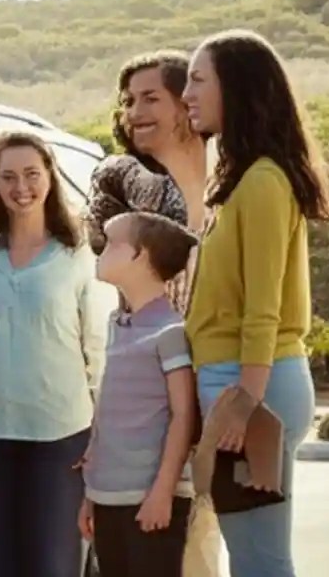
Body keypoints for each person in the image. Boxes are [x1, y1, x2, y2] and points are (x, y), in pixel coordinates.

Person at [182, 28, 329, 577]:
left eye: (199, 79)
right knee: (257, 557)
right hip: (240, 383)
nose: (187, 94)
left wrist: (244, 401)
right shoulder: (246, 179)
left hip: (250, 387)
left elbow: (263, 309)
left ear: (237, 88)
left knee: (260, 561)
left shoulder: (265, 181)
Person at [85, 49, 223, 576]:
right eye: (128, 101)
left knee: (203, 544)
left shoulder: (231, 185)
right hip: (150, 397)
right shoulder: (120, 179)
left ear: (186, 103)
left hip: (212, 378)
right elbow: (107, 240)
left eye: (150, 98)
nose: (134, 111)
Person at [0, 130, 112, 577]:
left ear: (50, 176)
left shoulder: (79, 255)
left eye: (31, 173)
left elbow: (100, 350)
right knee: (5, 568)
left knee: (54, 567)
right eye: (7, 176)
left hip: (61, 438)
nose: (21, 187)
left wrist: (102, 437)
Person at [80, 211, 200, 577]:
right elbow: (106, 412)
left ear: (141, 256)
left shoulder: (169, 331)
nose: (101, 248)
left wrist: (163, 493)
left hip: (150, 501)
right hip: (107, 499)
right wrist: (91, 495)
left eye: (114, 242)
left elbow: (184, 416)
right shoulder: (118, 325)